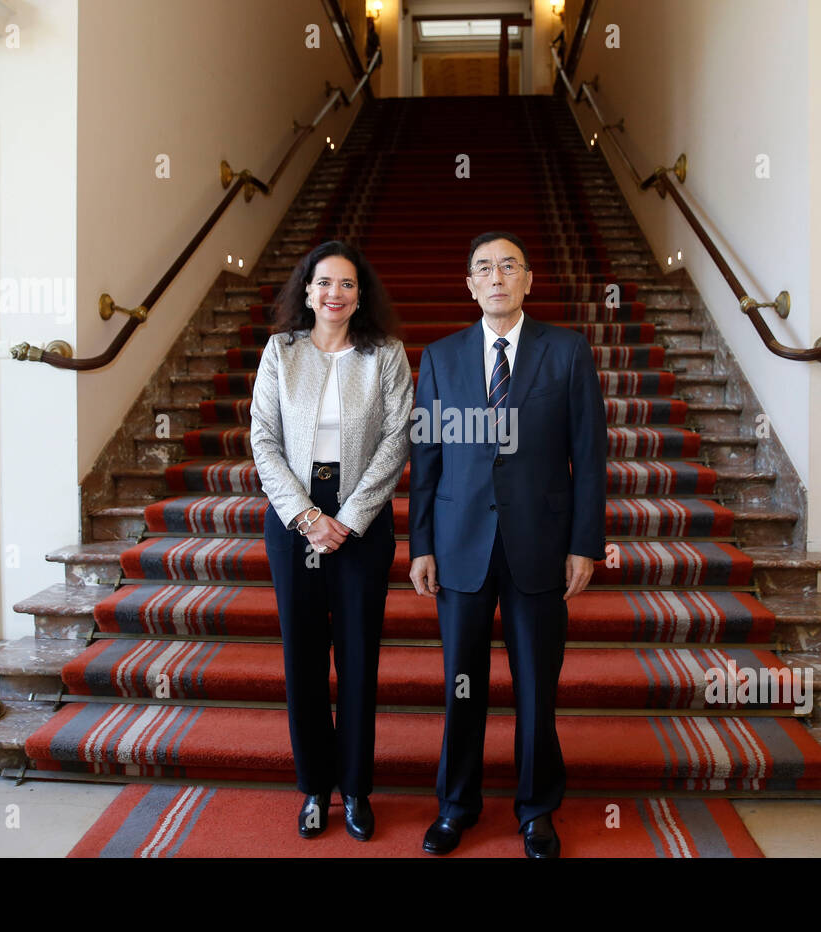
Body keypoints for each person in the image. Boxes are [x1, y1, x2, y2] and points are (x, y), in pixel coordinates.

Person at [408, 231, 608, 858]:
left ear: (528, 280)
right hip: (461, 540)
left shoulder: (568, 352)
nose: (496, 277)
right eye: (483, 268)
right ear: (470, 284)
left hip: (541, 545)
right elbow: (427, 457)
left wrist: (585, 543)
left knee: (535, 688)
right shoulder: (441, 357)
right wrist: (421, 545)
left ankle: (537, 809)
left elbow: (590, 455)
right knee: (461, 682)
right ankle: (457, 805)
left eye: (509, 266)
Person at [250, 240, 412, 841]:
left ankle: (357, 791)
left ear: (359, 293)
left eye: (346, 284)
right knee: (304, 659)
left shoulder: (385, 355)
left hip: (361, 528)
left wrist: (349, 515)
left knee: (358, 659)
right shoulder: (281, 352)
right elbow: (263, 438)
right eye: (324, 283)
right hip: (294, 526)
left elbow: (397, 439)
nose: (334, 294)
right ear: (307, 290)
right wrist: (305, 516)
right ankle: (315, 788)